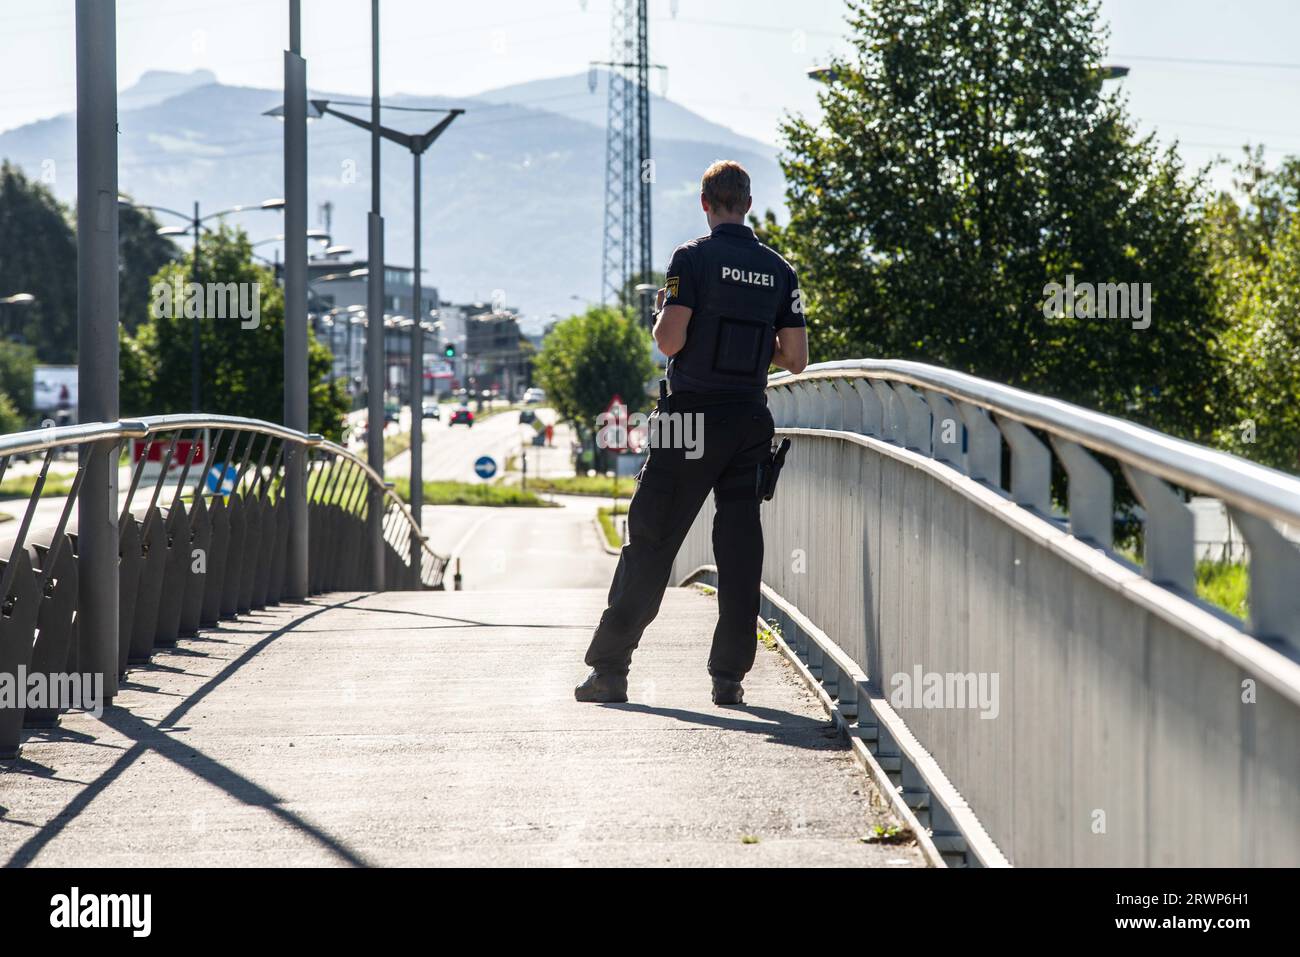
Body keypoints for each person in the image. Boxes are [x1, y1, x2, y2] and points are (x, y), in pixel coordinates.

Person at [576, 160, 808, 706]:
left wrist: (666, 315)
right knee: (740, 549)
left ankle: (610, 670)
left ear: (705, 204)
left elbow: (671, 342)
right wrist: (754, 348)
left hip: (690, 423)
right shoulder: (780, 270)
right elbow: (795, 360)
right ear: (748, 204)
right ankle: (729, 679)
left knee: (651, 545)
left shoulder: (692, 258)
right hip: (750, 421)